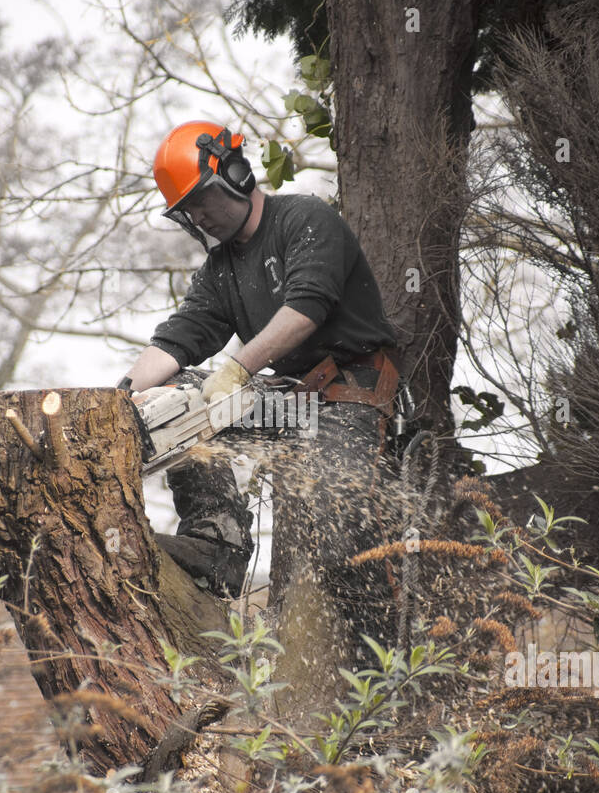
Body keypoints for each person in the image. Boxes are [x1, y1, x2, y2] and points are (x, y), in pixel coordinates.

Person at [120, 121, 403, 664]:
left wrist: (237, 367)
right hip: (288, 403)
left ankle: (382, 672)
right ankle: (216, 544)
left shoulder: (306, 220)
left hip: (351, 396)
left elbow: (307, 307)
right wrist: (120, 397)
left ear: (234, 172)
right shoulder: (221, 269)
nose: (198, 217)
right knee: (174, 398)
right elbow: (179, 340)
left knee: (337, 526)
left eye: (201, 200)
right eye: (188, 210)